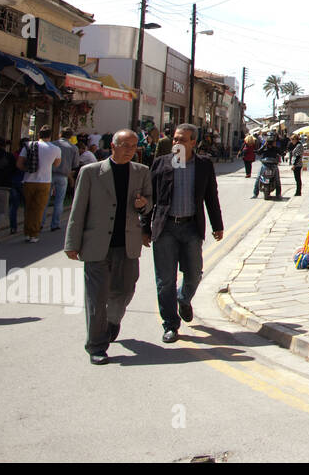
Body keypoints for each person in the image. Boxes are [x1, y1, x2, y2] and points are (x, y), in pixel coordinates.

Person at [64, 130, 152, 365]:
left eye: (134, 146)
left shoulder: (142, 172)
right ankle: (96, 346)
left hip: (128, 245)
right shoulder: (90, 172)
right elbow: (78, 209)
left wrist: (143, 205)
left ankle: (112, 321)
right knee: (96, 297)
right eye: (125, 145)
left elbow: (149, 202)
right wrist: (72, 243)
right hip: (96, 245)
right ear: (113, 146)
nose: (130, 150)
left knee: (126, 289)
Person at [148, 123, 224, 343]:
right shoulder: (161, 164)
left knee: (194, 273)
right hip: (165, 229)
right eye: (174, 139)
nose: (176, 143)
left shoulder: (203, 165)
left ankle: (184, 298)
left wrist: (217, 224)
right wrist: (145, 228)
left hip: (191, 227)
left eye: (182, 139)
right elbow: (150, 197)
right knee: (165, 280)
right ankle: (170, 324)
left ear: (193, 142)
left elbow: (211, 196)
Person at [16, 127, 61, 243]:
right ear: (50, 136)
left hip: (28, 180)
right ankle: (34, 234)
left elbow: (19, 163)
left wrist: (28, 170)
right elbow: (56, 164)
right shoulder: (55, 149)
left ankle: (27, 232)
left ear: (38, 135)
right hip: (44, 181)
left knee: (28, 207)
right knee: (38, 209)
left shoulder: (29, 145)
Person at [46, 128, 78, 233]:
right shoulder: (73, 148)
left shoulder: (52, 144)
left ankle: (40, 223)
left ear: (60, 134)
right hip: (63, 175)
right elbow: (75, 164)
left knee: (45, 200)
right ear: (71, 136)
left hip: (49, 174)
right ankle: (55, 224)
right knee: (59, 201)